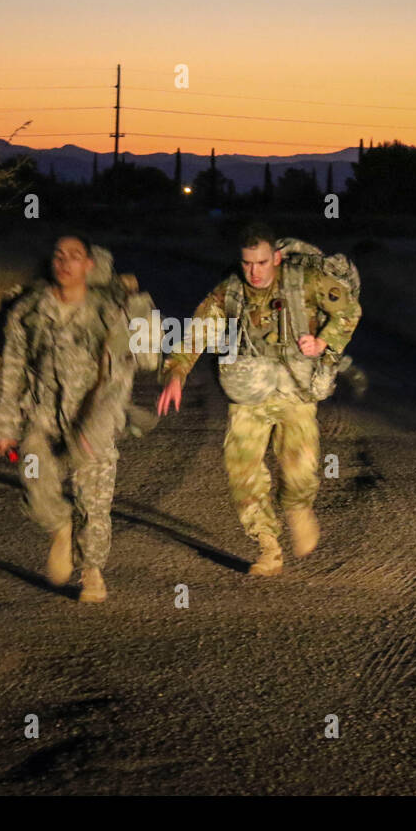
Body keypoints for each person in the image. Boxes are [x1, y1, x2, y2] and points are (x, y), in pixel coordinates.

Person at [156, 222, 361, 576]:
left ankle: (297, 509)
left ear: (277, 258)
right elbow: (200, 329)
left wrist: (323, 342)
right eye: (248, 263)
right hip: (249, 389)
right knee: (242, 467)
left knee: (299, 470)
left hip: (295, 388)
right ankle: (268, 546)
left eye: (262, 263)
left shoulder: (305, 280)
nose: (254, 272)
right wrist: (177, 372)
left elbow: (348, 311)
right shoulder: (232, 290)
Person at [0, 234, 135, 602]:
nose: (66, 262)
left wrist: (96, 428)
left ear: (89, 265)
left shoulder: (108, 313)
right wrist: (4, 424)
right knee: (33, 476)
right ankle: (58, 528)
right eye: (59, 255)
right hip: (42, 417)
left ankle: (91, 571)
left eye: (75, 256)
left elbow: (119, 378)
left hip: (91, 419)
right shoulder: (29, 311)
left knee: (94, 503)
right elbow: (12, 372)